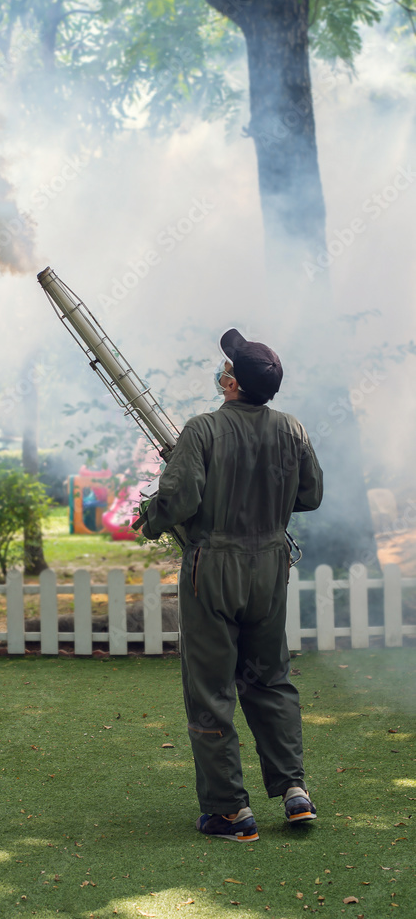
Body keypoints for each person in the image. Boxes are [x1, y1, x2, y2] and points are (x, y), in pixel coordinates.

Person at [141, 328, 323, 842]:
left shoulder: (202, 430)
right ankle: (294, 793)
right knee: (271, 680)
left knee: (211, 690)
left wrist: (149, 516)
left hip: (212, 569)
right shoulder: (293, 429)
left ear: (231, 384)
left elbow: (178, 501)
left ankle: (228, 811)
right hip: (270, 566)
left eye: (227, 369)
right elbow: (310, 494)